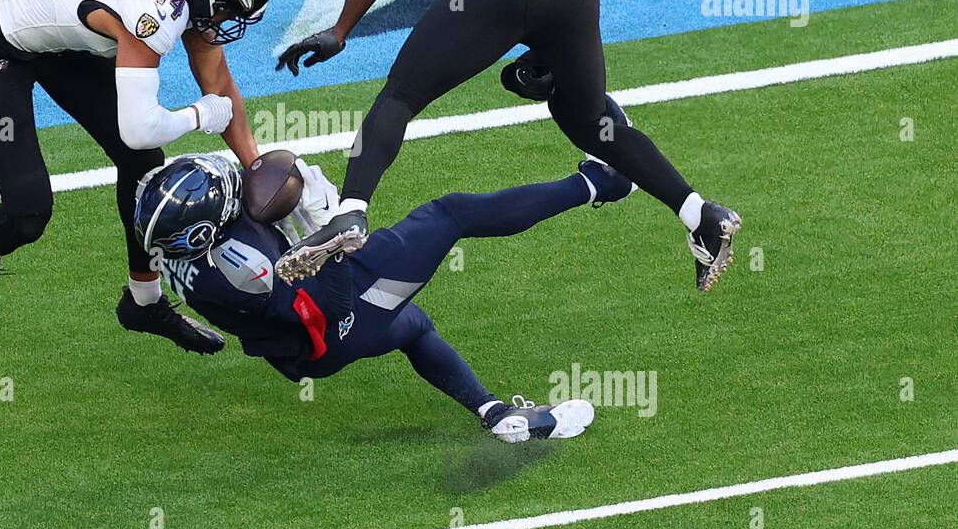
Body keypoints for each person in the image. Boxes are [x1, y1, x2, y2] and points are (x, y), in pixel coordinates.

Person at [274, 0, 740, 292]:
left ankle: (350, 213)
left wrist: (342, 27)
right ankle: (699, 213)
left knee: (402, 94)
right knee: (587, 118)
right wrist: (540, 61)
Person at [133, 150, 639, 442]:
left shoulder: (172, 245)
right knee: (450, 214)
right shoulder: (248, 271)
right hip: (335, 314)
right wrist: (325, 229)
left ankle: (496, 413)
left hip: (299, 355)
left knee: (414, 327)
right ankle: (600, 182)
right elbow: (331, 305)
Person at [0, 0, 275, 350]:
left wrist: (255, 167)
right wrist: (200, 116)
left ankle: (143, 301)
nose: (226, 22)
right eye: (227, 9)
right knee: (29, 213)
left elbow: (217, 81)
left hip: (62, 39)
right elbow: (140, 128)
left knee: (142, 167)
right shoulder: (152, 7)